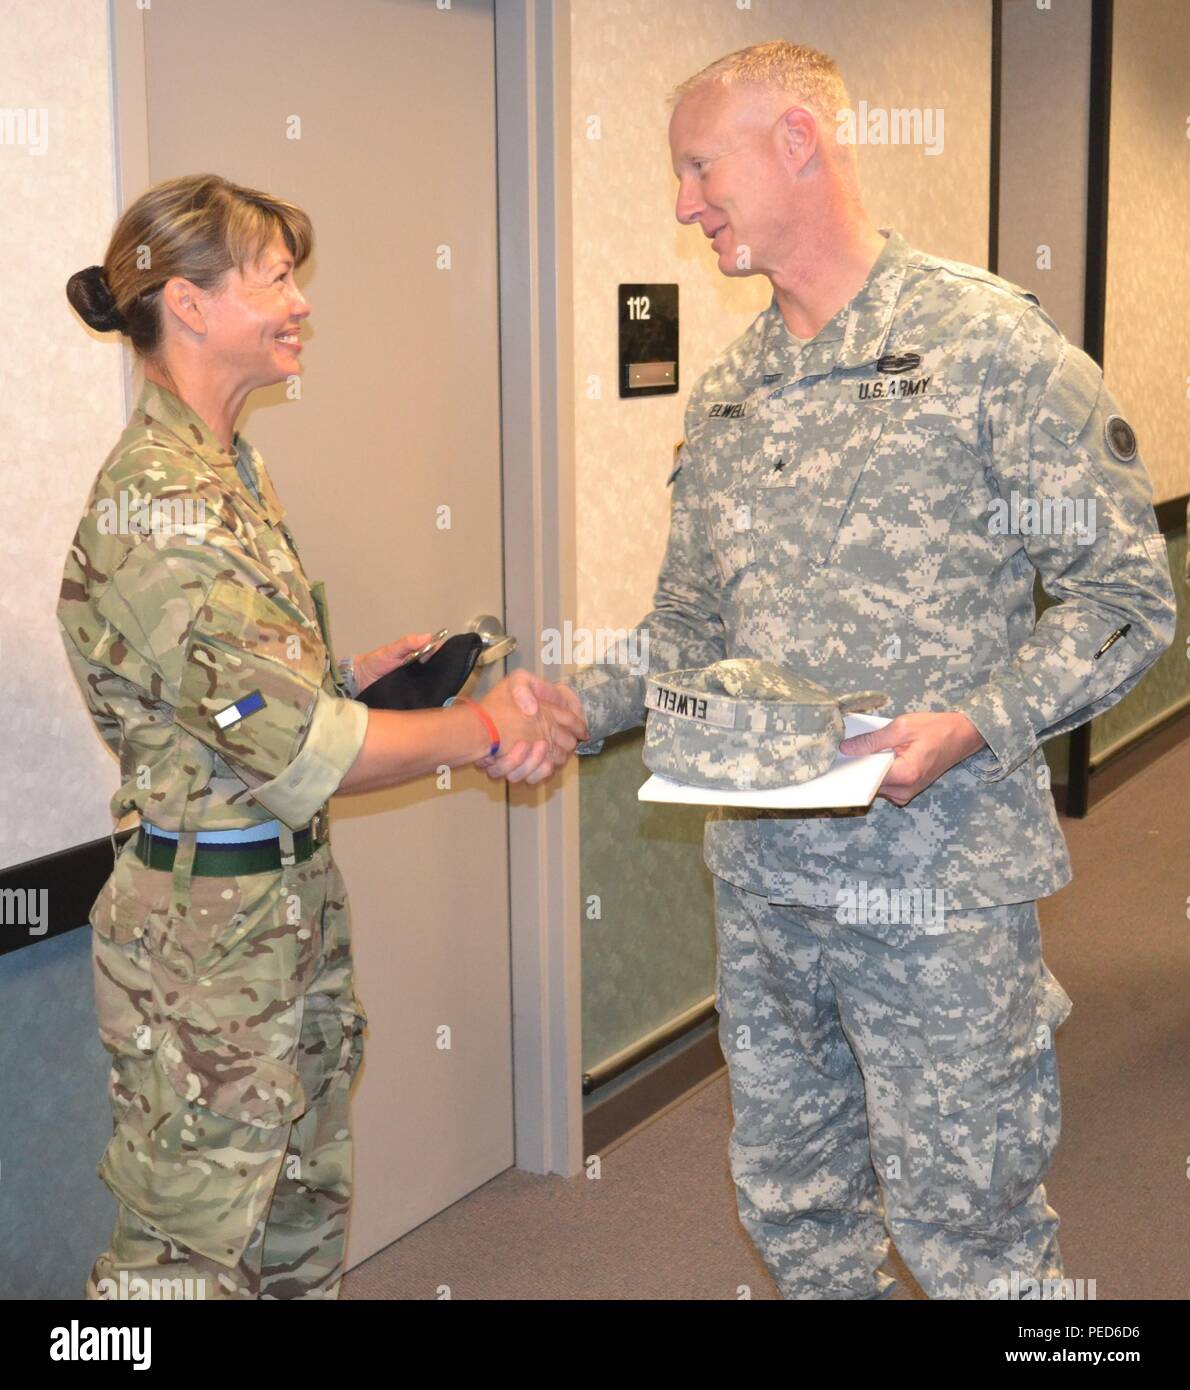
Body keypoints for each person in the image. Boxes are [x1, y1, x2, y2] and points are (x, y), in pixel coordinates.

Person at [484, 41, 1177, 1299]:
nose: (683, 203)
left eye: (699, 167)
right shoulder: (735, 391)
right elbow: (689, 635)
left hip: (942, 888)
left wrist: (971, 722)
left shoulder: (988, 351)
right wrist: (579, 700)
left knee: (974, 1240)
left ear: (797, 141)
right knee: (797, 1213)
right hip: (764, 893)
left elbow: (1125, 602)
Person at [60, 173, 587, 1300]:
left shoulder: (228, 471)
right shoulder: (160, 504)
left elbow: (230, 705)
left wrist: (359, 680)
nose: (301, 304)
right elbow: (298, 749)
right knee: (179, 1264)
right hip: (202, 953)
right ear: (190, 304)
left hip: (279, 919)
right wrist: (480, 725)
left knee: (295, 1229)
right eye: (278, 279)